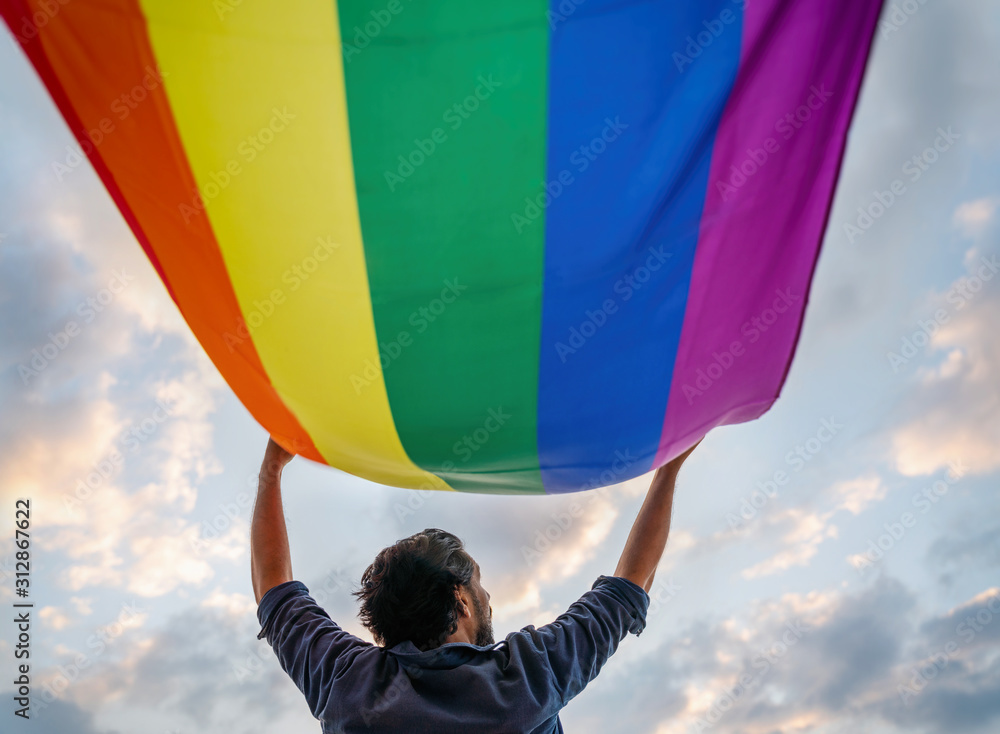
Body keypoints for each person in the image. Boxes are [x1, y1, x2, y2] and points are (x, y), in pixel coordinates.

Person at [251, 436, 700, 733]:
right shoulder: (528, 675)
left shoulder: (351, 684)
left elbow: (273, 584)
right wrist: (671, 468)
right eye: (480, 585)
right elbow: (631, 582)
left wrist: (271, 468)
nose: (489, 597)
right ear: (460, 601)